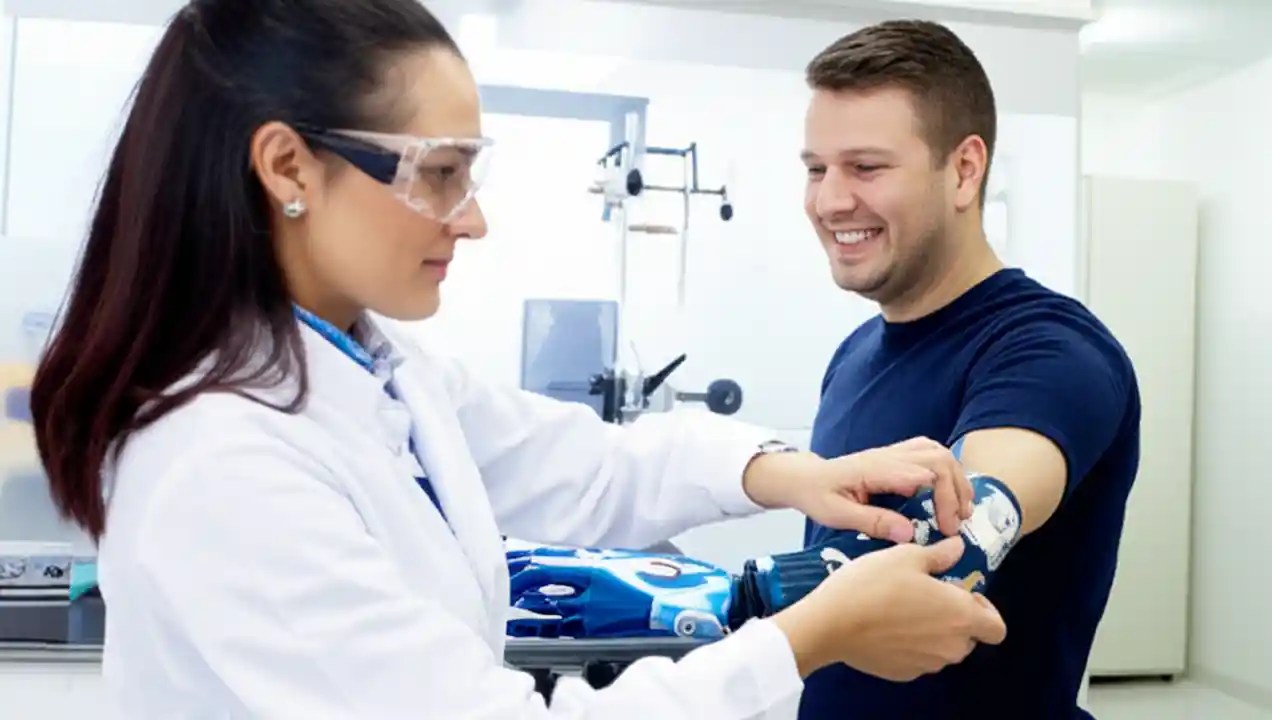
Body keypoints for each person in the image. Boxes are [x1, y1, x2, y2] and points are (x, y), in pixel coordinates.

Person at [27, 2, 1008, 717]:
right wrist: (806, 640)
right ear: (288, 167)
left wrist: (799, 475)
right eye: (438, 174)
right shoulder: (220, 462)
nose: (475, 217)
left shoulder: (380, 368)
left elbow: (590, 464)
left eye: (468, 174)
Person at [794, 19, 1142, 720]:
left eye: (866, 167)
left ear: (964, 169)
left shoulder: (1052, 350)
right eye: (815, 168)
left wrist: (729, 601)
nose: (830, 200)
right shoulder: (855, 353)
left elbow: (964, 530)